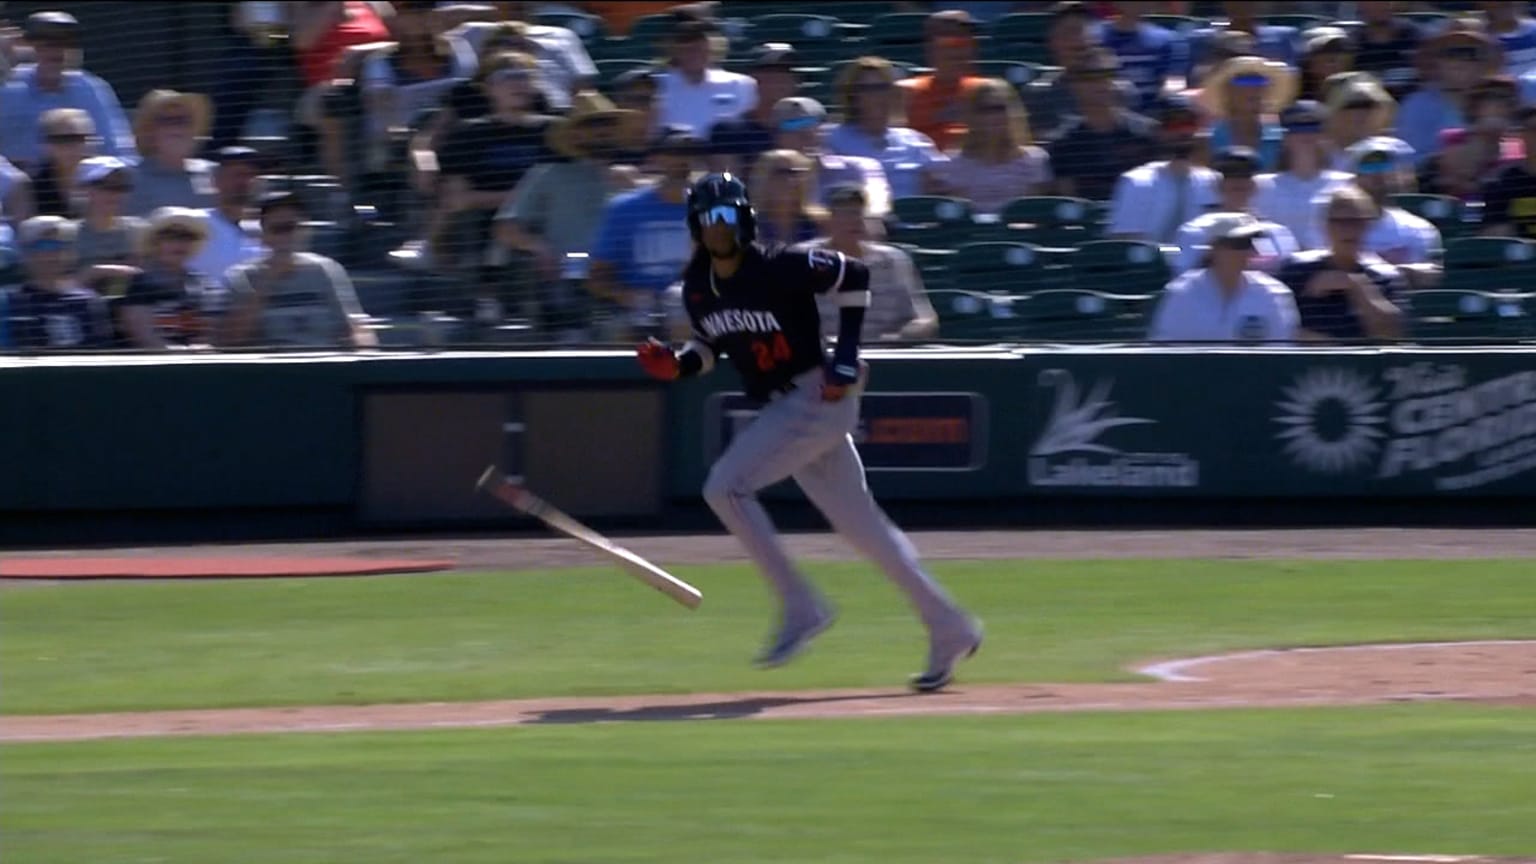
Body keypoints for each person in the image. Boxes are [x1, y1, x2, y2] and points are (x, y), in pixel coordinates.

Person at [634, 173, 983, 693]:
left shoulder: (778, 263)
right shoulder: (697, 287)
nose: (719, 226)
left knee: (724, 487)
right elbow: (711, 347)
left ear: (744, 218)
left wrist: (845, 354)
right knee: (867, 531)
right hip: (790, 405)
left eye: (727, 215)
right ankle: (949, 626)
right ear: (696, 226)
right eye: (709, 218)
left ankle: (801, 604)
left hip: (816, 394)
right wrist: (677, 365)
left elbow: (856, 275)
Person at [216, 191, 376, 349]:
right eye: (279, 229)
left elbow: (356, 328)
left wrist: (364, 351)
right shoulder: (242, 277)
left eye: (294, 227)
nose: (289, 236)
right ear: (263, 235)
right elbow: (232, 340)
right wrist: (266, 284)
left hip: (325, 363)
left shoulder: (325, 269)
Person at [1279, 185, 1409, 342]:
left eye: (1356, 222)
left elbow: (1393, 335)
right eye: (1339, 222)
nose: (1348, 230)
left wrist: (1356, 286)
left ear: (1368, 226)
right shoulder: (1296, 270)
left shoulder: (1385, 276)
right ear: (1325, 227)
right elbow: (1277, 327)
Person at [1148, 214, 1300, 343]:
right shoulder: (1181, 294)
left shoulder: (1273, 294)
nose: (1249, 251)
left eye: (1251, 243)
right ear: (1214, 248)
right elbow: (1165, 352)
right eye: (1240, 244)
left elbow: (1282, 354)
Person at [7, 215, 114, 349]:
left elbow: (104, 355)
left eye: (63, 245)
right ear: (27, 252)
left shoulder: (89, 301)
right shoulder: (12, 302)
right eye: (46, 245)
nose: (56, 253)